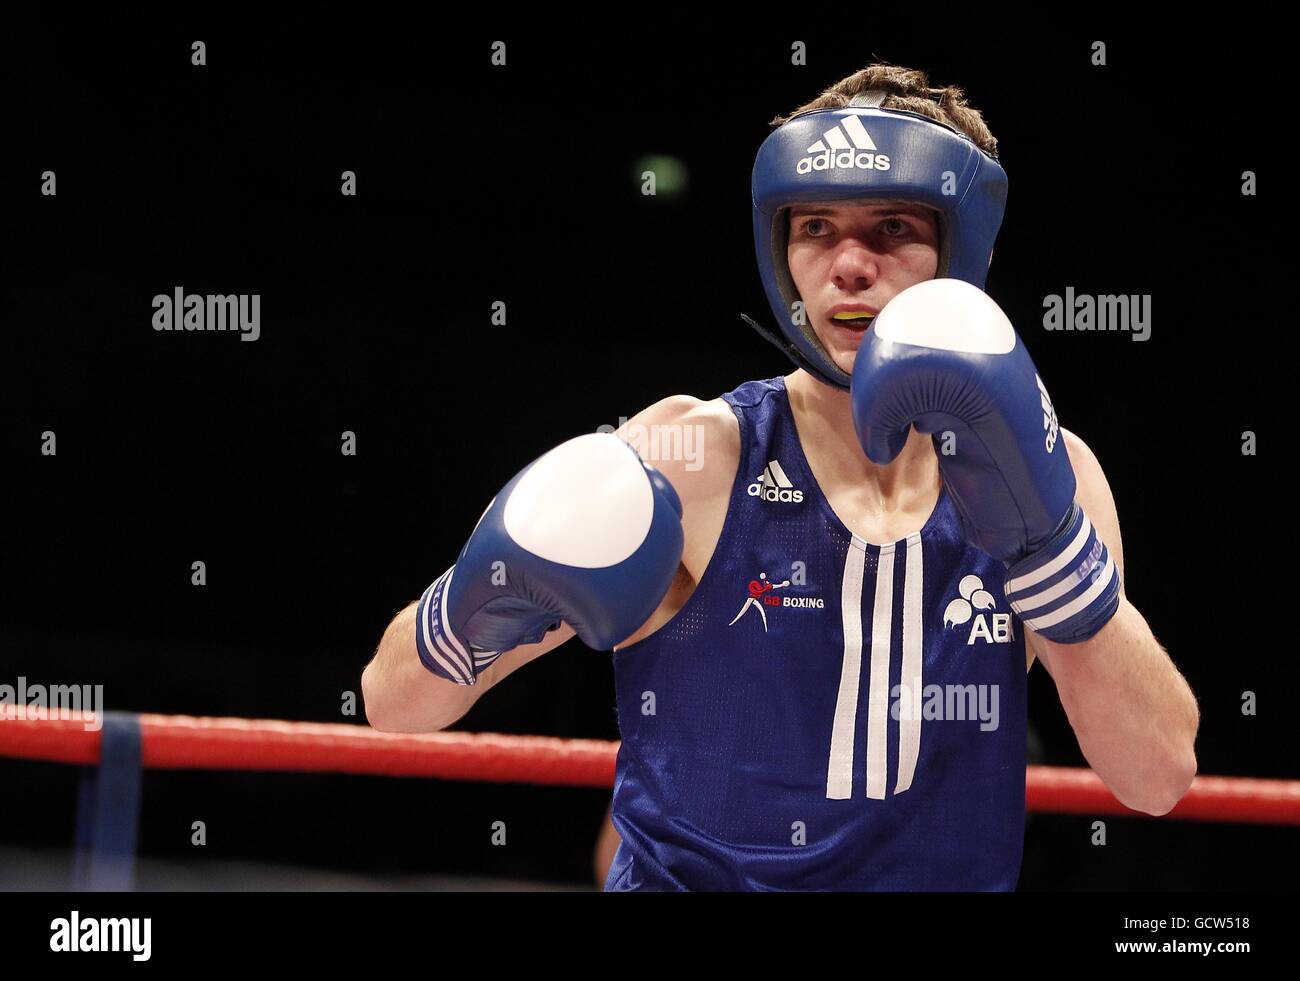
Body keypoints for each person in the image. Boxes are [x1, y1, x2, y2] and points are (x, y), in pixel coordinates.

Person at [361, 63, 1200, 890]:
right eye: (816, 228)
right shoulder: (693, 458)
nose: (849, 264)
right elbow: (397, 706)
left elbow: (1156, 775)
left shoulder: (1052, 475)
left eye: (893, 229)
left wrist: (1051, 551)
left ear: (961, 247)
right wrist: (484, 593)